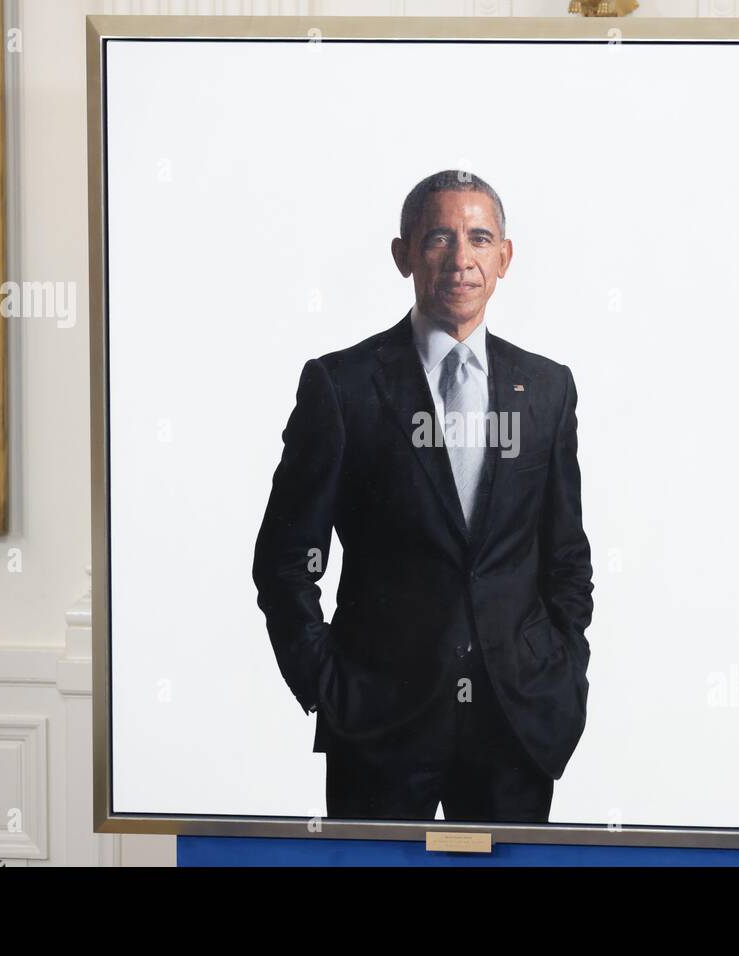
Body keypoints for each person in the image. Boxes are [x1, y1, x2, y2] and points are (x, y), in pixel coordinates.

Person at [252, 170, 593, 823]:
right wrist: (329, 688)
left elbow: (566, 556)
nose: (460, 258)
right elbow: (284, 559)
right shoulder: (342, 386)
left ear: (504, 257)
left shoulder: (548, 388)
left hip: (515, 723)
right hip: (379, 724)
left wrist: (562, 671)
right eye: (438, 238)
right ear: (403, 253)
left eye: (478, 238)